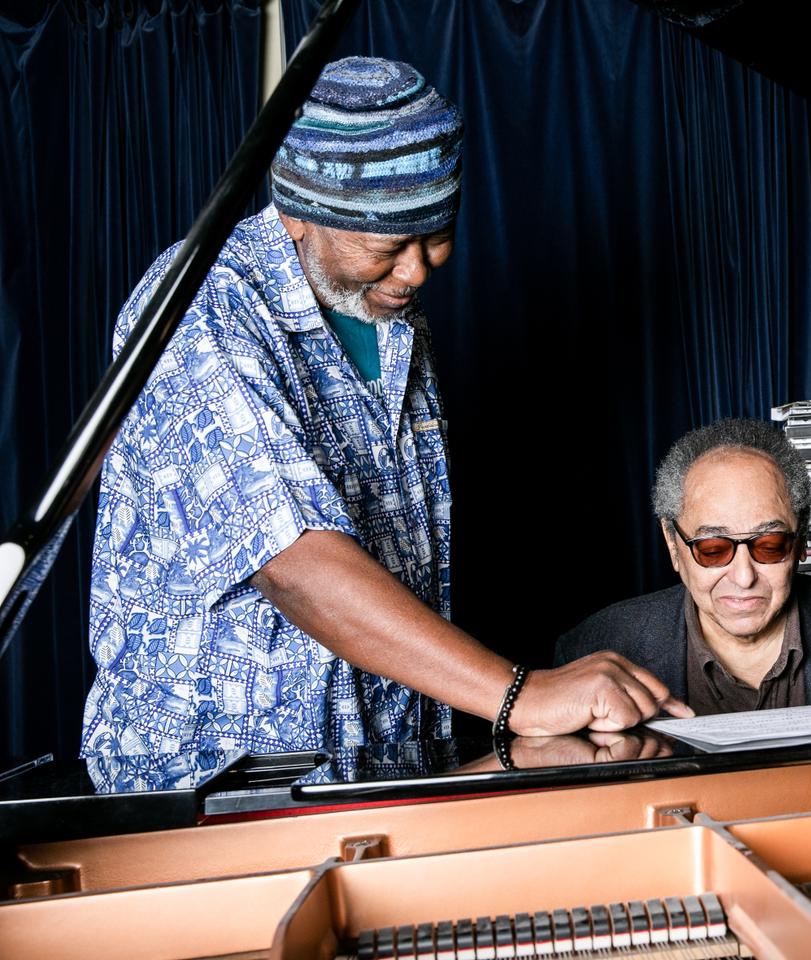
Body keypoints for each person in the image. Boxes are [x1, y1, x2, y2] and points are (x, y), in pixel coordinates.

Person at [81, 57, 688, 769]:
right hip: (220, 776)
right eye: (388, 246)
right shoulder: (198, 308)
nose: (418, 269)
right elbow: (295, 562)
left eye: (436, 233)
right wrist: (518, 694)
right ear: (298, 212)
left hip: (383, 760)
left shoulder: (391, 310)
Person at [555, 419, 811, 713]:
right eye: (712, 548)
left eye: (770, 545)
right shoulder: (594, 647)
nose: (743, 578)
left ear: (801, 540)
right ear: (673, 545)